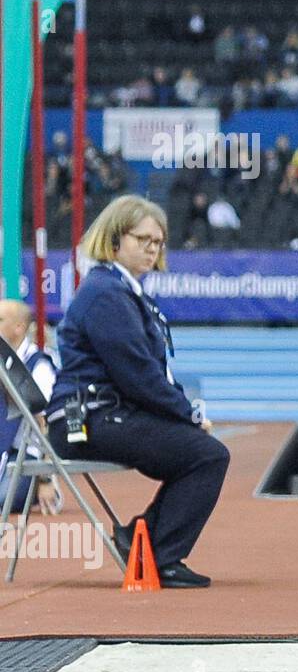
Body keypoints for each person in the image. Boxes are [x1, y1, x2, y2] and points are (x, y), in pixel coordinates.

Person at [44, 196, 229, 587]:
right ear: (113, 241)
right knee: (207, 455)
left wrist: (184, 416)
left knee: (200, 452)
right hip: (89, 419)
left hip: (103, 413)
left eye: (159, 242)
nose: (152, 248)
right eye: (142, 238)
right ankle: (158, 556)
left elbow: (145, 375)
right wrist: (189, 415)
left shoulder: (121, 291)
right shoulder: (105, 294)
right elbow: (138, 375)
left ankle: (141, 539)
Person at [0, 300, 62, 517]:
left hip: (25, 455)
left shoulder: (40, 366)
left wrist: (45, 476)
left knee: (3, 499)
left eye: (0, 320)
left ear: (18, 328)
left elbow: (47, 421)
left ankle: (37, 486)